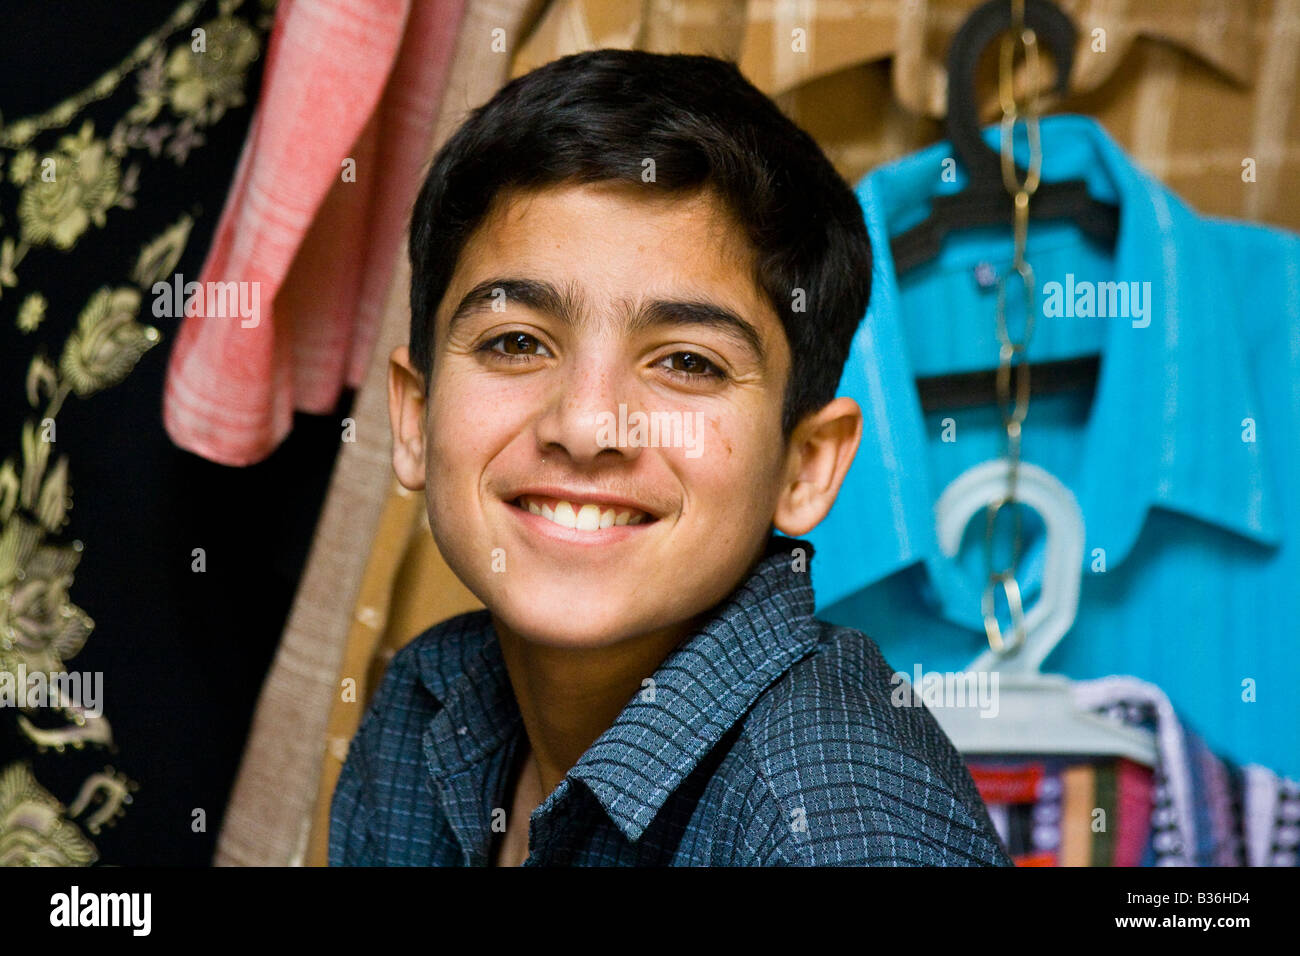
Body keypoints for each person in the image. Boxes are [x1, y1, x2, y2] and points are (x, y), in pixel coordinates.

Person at [329, 48, 1010, 866]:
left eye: (688, 363)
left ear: (807, 466)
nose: (585, 426)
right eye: (516, 342)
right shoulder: (424, 705)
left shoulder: (839, 832)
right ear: (414, 416)